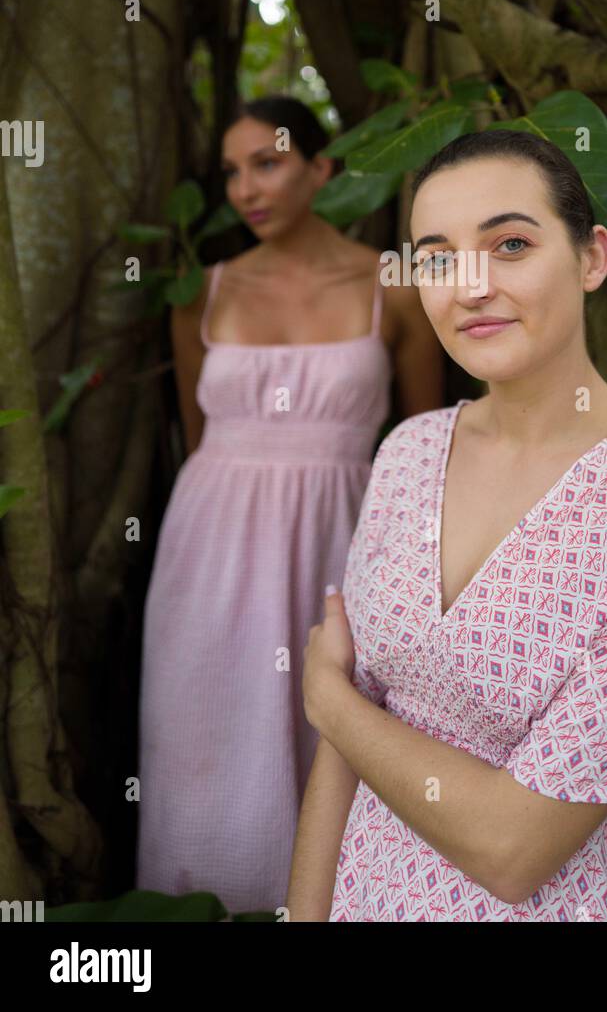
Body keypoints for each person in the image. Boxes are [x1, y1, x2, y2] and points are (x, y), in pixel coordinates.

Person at [288, 128, 607, 922]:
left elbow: (513, 848)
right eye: (436, 258)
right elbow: (343, 750)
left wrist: (329, 702)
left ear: (592, 257)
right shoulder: (407, 452)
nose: (469, 288)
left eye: (509, 244)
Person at [136, 95, 444, 914]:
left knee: (329, 732)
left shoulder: (395, 286)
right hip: (209, 545)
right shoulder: (198, 293)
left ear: (321, 169)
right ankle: (198, 905)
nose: (244, 188)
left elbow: (420, 449)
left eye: (266, 163)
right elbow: (204, 438)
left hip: (341, 539)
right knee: (201, 738)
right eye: (231, 172)